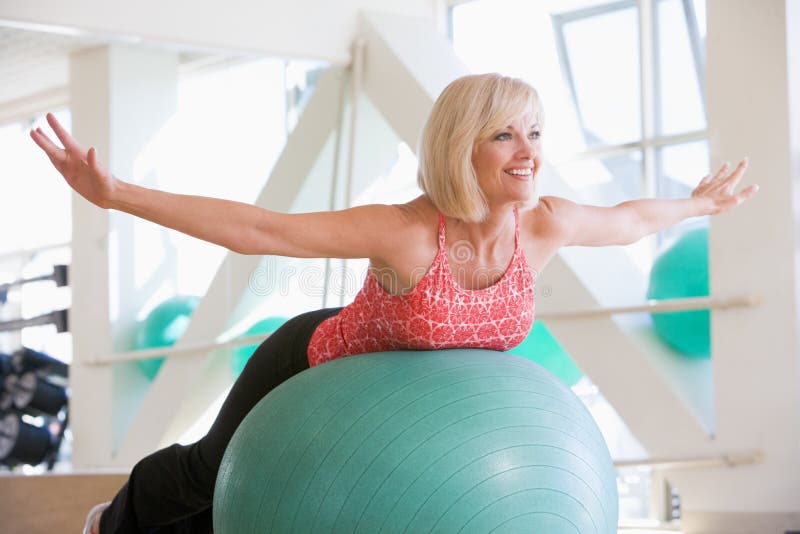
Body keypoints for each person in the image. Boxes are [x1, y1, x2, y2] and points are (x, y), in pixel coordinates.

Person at [30, 73, 757, 533]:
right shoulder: (406, 233)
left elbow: (628, 220)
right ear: (460, 148)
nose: (527, 149)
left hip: (400, 423)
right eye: (503, 134)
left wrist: (694, 205)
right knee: (207, 468)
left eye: (533, 131)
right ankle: (111, 521)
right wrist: (117, 193)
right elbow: (261, 229)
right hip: (313, 360)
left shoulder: (545, 226)